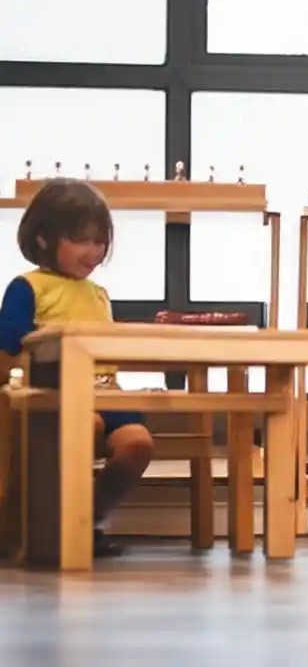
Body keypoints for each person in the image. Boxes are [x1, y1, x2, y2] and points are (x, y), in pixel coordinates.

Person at [0, 178, 152, 557]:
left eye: (100, 241)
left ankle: (88, 517)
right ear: (44, 240)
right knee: (88, 426)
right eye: (82, 240)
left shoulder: (99, 294)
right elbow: (8, 350)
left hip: (105, 391)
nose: (94, 251)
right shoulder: (28, 286)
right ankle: (53, 524)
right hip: (54, 392)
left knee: (137, 444)